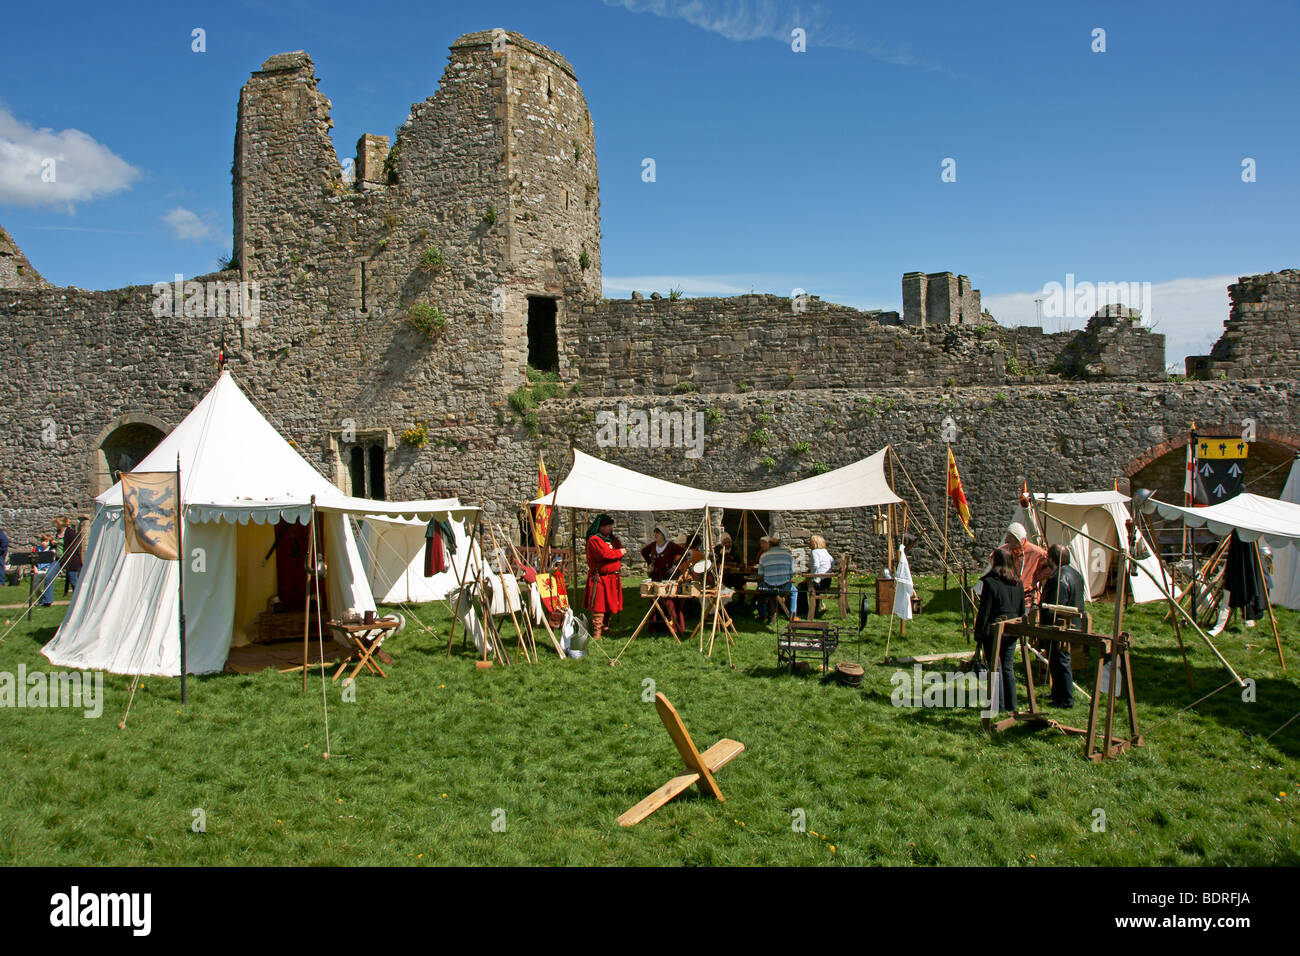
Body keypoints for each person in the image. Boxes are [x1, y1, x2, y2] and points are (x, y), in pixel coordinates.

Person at [974, 546, 1026, 713]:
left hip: (994, 631)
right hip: (1011, 630)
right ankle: (1010, 704)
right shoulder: (1017, 582)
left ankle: (1000, 704)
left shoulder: (991, 583)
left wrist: (979, 634)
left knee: (996, 667)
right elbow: (1021, 610)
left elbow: (985, 611)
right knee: (1007, 666)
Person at [1039, 544, 1085, 708]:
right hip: (1072, 624)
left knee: (1061, 661)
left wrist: (1045, 627)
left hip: (1061, 626)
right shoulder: (1076, 574)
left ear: (1052, 559)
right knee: (1055, 661)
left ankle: (1065, 700)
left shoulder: (1058, 579)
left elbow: (1054, 606)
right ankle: (1057, 693)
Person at [584, 514, 625, 641]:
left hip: (612, 577)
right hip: (600, 578)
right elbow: (604, 554)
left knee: (609, 605)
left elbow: (620, 549)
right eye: (607, 526)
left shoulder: (612, 539)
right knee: (599, 606)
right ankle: (597, 633)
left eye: (610, 526)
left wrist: (617, 553)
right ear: (600, 527)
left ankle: (606, 629)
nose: (610, 528)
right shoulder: (594, 540)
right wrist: (618, 553)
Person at [641, 527, 685, 633]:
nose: (655, 535)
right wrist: (650, 563)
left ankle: (673, 627)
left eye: (658, 533)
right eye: (655, 533)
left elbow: (685, 553)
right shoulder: (653, 545)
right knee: (655, 600)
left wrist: (675, 566)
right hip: (656, 576)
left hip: (667, 577)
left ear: (663, 535)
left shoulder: (671, 546)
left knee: (669, 600)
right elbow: (643, 552)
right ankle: (656, 627)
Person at [1004, 522, 1050, 603]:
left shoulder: (1037, 553)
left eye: (1009, 539)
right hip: (1008, 599)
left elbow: (1051, 567)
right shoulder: (1003, 551)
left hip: (1028, 599)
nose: (1006, 541)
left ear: (1018, 539)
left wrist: (1037, 576)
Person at [756, 534, 798, 623]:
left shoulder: (764, 556)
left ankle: (763, 615)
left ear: (769, 544)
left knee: (759, 591)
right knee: (794, 591)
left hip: (768, 588)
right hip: (784, 587)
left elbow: (760, 574)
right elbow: (792, 572)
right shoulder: (787, 555)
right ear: (779, 544)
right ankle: (792, 615)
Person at [798, 533, 834, 616]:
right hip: (827, 581)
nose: (809, 544)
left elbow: (816, 565)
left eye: (810, 542)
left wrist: (813, 578)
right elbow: (832, 561)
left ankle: (803, 611)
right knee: (803, 585)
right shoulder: (825, 551)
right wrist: (827, 571)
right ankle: (814, 609)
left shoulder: (815, 552)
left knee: (800, 587)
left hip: (819, 582)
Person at [63, 516, 87, 595]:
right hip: (71, 560)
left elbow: (75, 547)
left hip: (73, 560)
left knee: (74, 580)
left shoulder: (70, 533)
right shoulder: (68, 532)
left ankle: (79, 596)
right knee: (73, 579)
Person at [35, 534, 58, 607]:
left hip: (47, 570)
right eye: (42, 540)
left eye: (45, 541)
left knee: (48, 584)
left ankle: (47, 600)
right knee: (35, 586)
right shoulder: (38, 549)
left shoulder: (52, 550)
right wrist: (35, 568)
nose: (43, 542)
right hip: (39, 570)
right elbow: (33, 560)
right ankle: (41, 599)